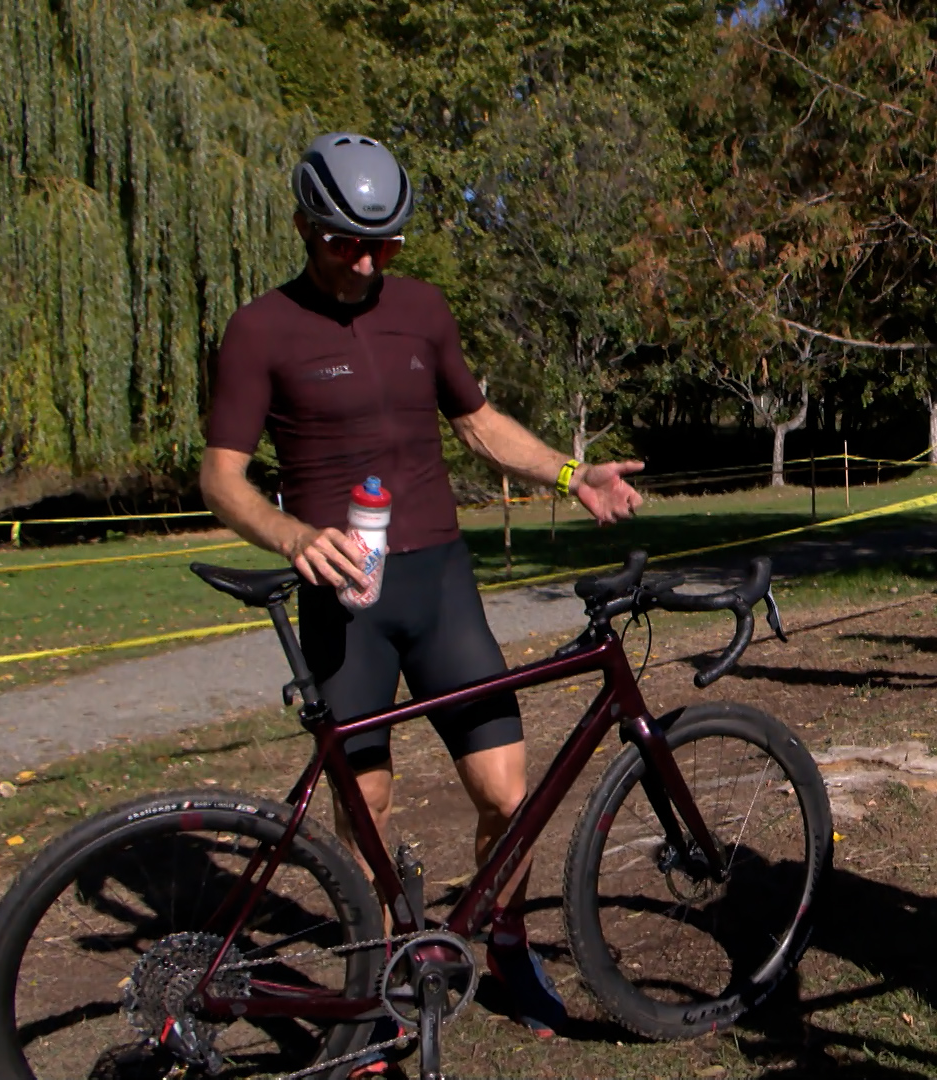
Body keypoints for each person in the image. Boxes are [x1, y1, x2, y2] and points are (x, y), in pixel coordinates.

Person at [200, 133, 644, 1045]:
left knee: (505, 790)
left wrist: (571, 475)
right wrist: (290, 535)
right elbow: (221, 477)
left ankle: (507, 947)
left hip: (439, 579)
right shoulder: (260, 329)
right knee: (367, 808)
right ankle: (379, 976)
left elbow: (478, 425)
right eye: (345, 245)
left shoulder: (424, 309)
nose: (366, 263)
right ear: (303, 227)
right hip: (345, 600)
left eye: (386, 246)